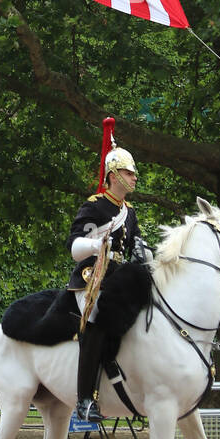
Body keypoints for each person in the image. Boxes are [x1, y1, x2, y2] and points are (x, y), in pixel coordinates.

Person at [67, 141, 145, 423]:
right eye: (129, 172)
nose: (135, 177)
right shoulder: (96, 207)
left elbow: (134, 243)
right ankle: (85, 399)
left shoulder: (130, 212)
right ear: (114, 175)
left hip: (119, 282)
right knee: (98, 320)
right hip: (91, 281)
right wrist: (97, 243)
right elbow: (74, 246)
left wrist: (142, 251)